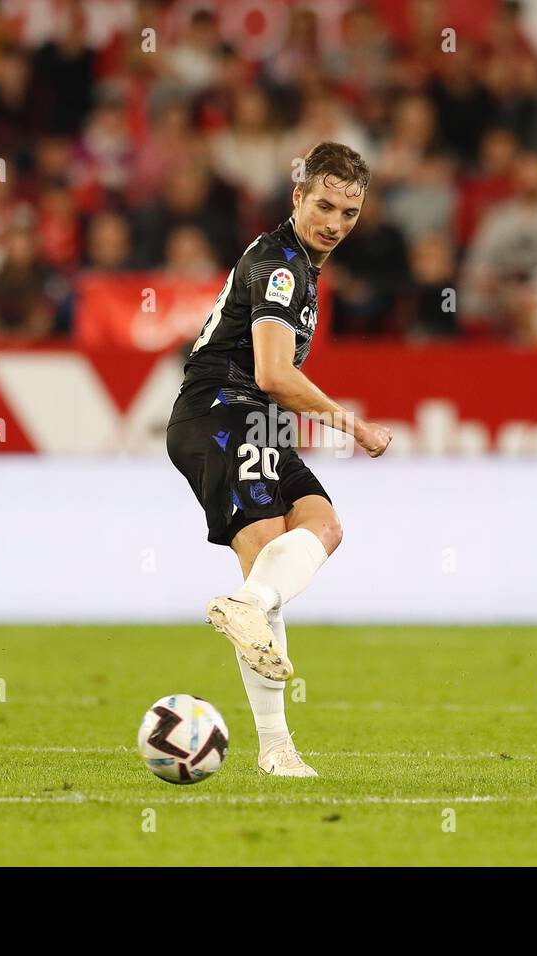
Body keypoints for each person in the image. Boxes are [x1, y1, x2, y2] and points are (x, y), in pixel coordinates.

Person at [165, 142, 392, 778]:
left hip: (253, 419)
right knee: (264, 567)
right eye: (324, 206)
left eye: (349, 213)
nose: (335, 223)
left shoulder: (298, 264)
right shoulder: (282, 268)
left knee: (324, 526)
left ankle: (251, 615)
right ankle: (276, 748)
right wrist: (354, 426)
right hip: (224, 411)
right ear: (298, 197)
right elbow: (272, 373)